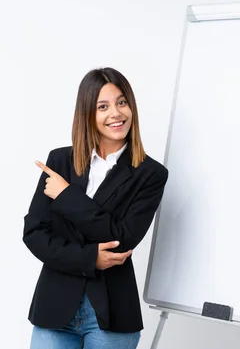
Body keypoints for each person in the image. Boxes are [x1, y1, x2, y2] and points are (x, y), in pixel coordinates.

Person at [23, 67, 169, 349]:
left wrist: (66, 195)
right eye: (103, 106)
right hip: (54, 310)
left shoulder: (150, 174)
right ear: (88, 113)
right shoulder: (60, 160)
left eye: (122, 102)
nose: (116, 113)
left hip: (110, 315)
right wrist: (90, 257)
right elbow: (34, 233)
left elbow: (121, 238)